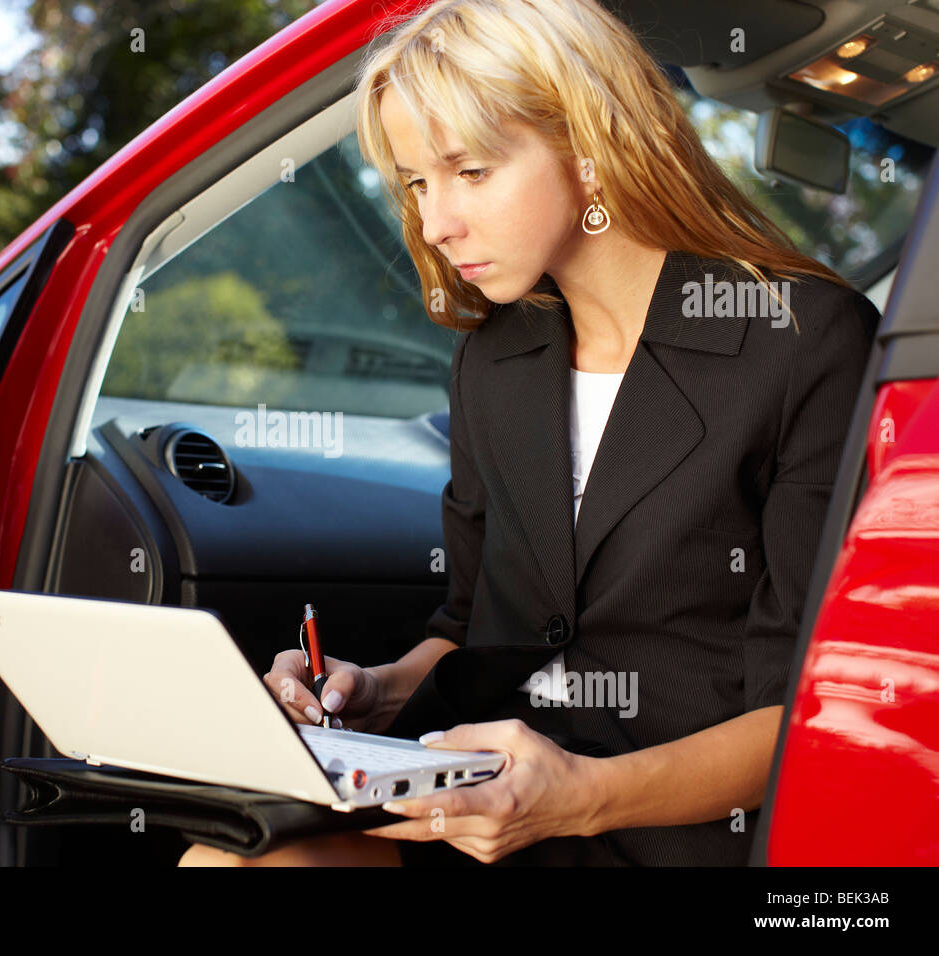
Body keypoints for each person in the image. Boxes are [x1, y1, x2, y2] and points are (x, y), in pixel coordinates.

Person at [178, 0, 878, 866]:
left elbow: (805, 718)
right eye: (416, 184)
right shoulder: (495, 360)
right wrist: (374, 694)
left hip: (673, 834)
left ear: (590, 142)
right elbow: (469, 624)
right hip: (486, 816)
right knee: (229, 855)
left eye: (468, 171)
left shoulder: (804, 342)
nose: (434, 224)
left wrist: (578, 799)